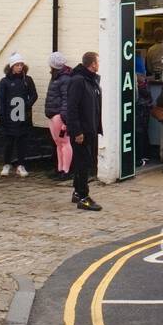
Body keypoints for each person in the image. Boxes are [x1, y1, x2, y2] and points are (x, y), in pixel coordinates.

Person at [66, 52, 103, 210]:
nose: (99, 64)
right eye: (97, 61)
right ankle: (83, 196)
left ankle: (76, 192)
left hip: (91, 128)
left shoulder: (91, 80)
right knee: (83, 163)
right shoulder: (78, 80)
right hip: (82, 131)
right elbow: (72, 108)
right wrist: (77, 131)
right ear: (92, 64)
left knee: (84, 161)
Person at [0, 53, 38, 178]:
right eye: (17, 65)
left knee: (22, 141)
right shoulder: (4, 82)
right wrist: (1, 115)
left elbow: (34, 95)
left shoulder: (27, 80)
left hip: (23, 116)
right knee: (9, 141)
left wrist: (27, 105)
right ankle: (6, 164)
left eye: (21, 65)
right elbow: (0, 99)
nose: (19, 67)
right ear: (11, 66)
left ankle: (21, 165)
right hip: (9, 116)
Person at [44, 51, 74, 180]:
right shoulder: (57, 76)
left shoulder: (64, 78)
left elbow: (66, 99)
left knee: (65, 142)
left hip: (59, 116)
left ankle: (66, 171)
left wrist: (64, 118)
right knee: (58, 143)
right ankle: (60, 168)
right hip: (52, 114)